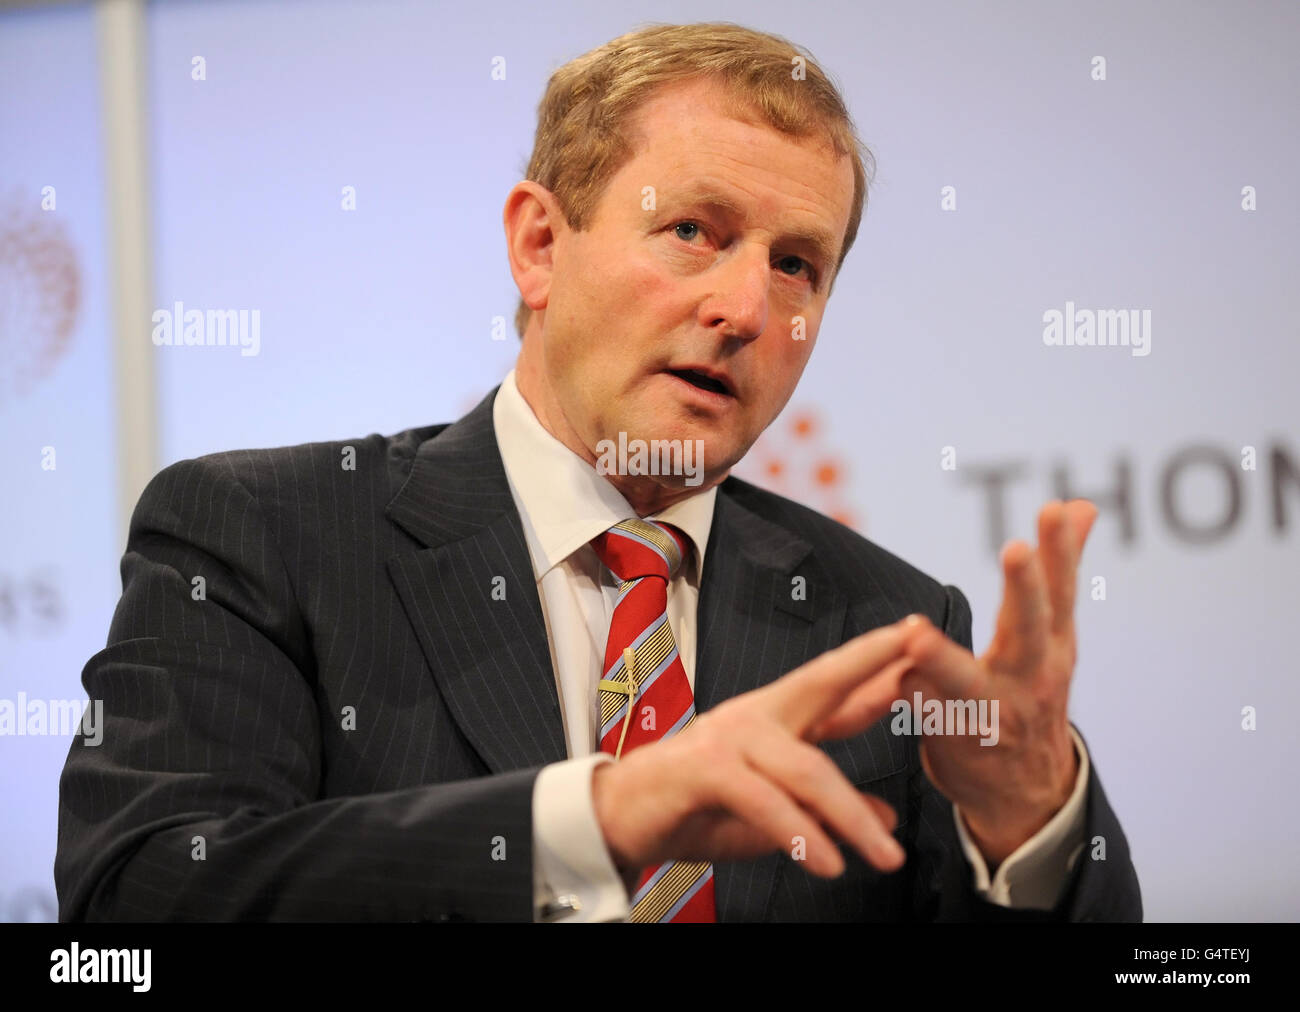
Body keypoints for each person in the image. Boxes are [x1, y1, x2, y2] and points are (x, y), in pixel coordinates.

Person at [55, 22, 1140, 922]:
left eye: (795, 264)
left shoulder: (889, 629)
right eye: (691, 230)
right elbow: (132, 905)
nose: (744, 308)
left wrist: (1030, 827)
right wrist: (599, 819)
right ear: (537, 244)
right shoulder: (267, 536)